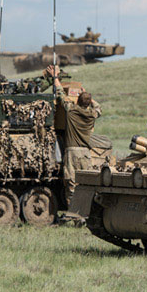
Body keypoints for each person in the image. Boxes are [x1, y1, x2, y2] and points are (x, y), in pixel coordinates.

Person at [45, 65, 101, 196]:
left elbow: (60, 94)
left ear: (78, 101)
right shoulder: (92, 114)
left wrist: (55, 77)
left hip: (72, 152)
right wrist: (89, 97)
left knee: (71, 183)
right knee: (85, 183)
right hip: (86, 153)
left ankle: (72, 212)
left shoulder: (72, 111)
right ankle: (83, 212)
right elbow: (99, 108)